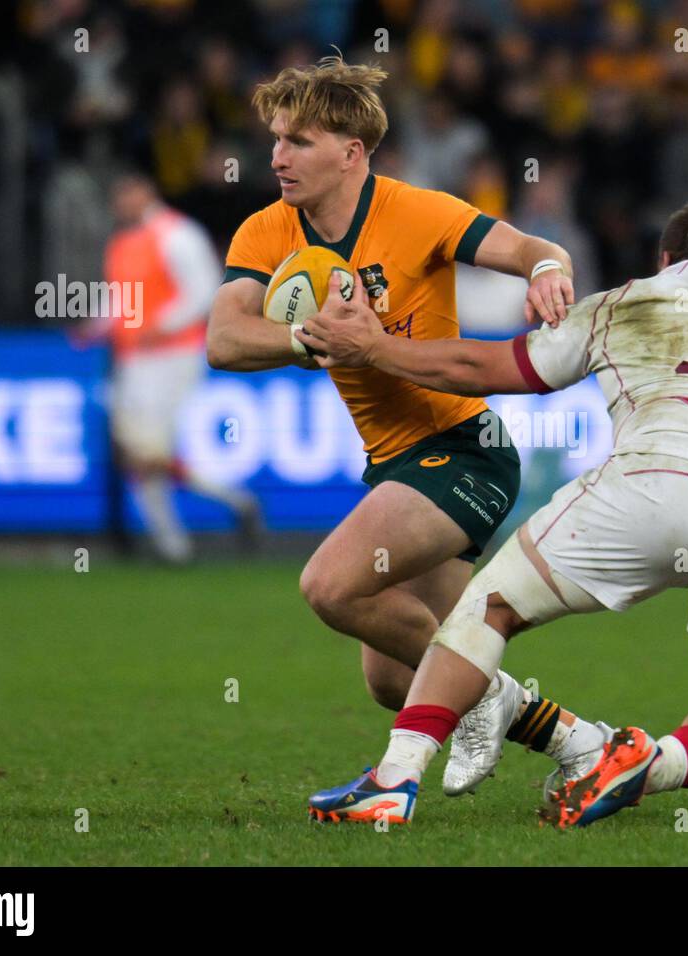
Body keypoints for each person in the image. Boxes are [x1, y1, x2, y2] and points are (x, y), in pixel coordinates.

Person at [302, 199, 688, 827]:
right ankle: (649, 761)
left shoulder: (628, 302)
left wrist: (373, 348)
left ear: (666, 259)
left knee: (489, 610)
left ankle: (394, 779)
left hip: (641, 494)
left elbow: (477, 367)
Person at [205, 56, 600, 800]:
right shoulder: (266, 231)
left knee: (329, 585)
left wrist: (550, 269)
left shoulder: (416, 212)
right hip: (393, 463)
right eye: (276, 141)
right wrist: (310, 340)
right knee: (399, 681)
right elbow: (223, 340)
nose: (278, 157)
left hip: (465, 450)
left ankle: (484, 710)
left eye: (298, 141)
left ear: (352, 153)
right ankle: (580, 743)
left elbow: (529, 249)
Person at [82, 172, 262, 563]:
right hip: (134, 360)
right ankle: (190, 534)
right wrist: (97, 325)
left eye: (126, 191)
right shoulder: (122, 243)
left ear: (146, 190)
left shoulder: (178, 234)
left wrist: (160, 325)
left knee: (144, 452)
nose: (120, 202)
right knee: (139, 455)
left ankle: (184, 537)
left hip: (171, 357)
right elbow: (121, 300)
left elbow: (203, 291)